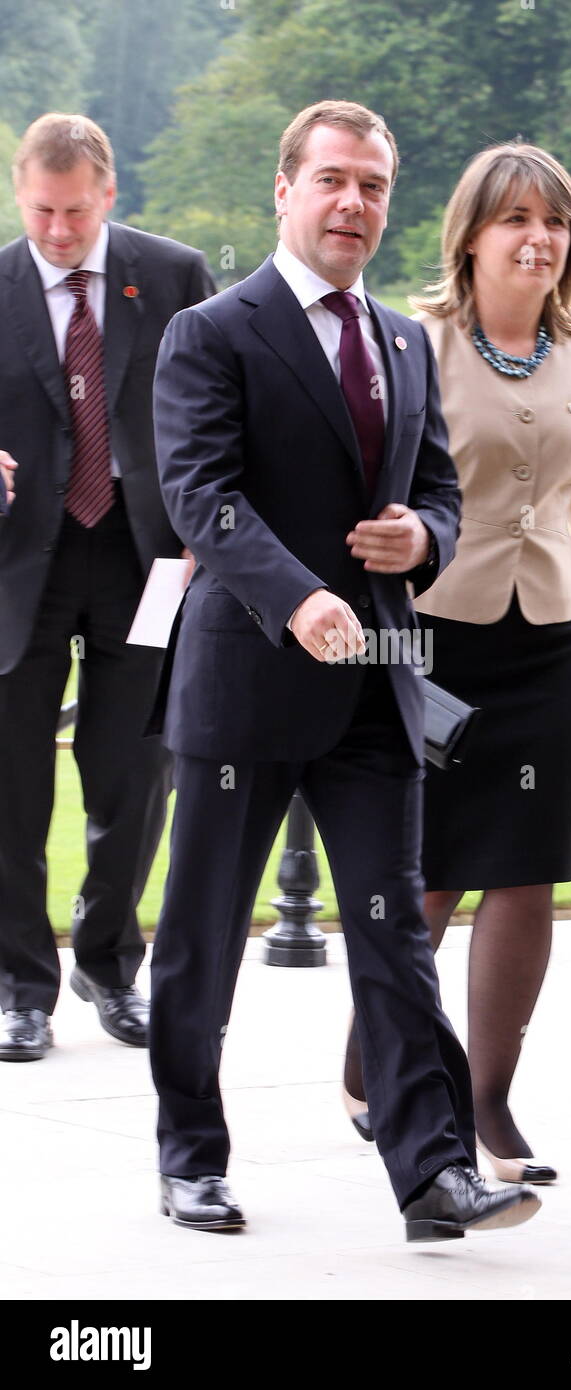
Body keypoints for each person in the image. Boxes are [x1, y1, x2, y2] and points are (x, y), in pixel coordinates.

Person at [148, 101, 542, 1242]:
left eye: (371, 185)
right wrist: (301, 597)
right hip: (246, 682)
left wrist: (423, 541)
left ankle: (431, 1175)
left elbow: (437, 495)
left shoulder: (406, 342)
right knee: (202, 933)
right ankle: (189, 1160)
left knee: (390, 932)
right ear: (285, 189)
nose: (352, 203)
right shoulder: (213, 331)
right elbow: (201, 497)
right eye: (331, 180)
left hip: (375, 684)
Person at [343, 142, 571, 1182]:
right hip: (435, 636)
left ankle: (485, 1102)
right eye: (516, 219)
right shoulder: (412, 342)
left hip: (554, 643)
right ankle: (377, 1057)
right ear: (470, 235)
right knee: (427, 872)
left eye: (554, 222)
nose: (537, 237)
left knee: (526, 870)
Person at [0, 114, 216, 1063]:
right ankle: (18, 987)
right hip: (18, 566)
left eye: (75, 211)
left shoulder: (172, 276)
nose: (57, 230)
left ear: (109, 194)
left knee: (136, 776)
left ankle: (109, 962)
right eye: (42, 211)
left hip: (149, 561)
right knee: (10, 790)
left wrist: (215, 525)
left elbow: (221, 403)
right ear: (20, 194)